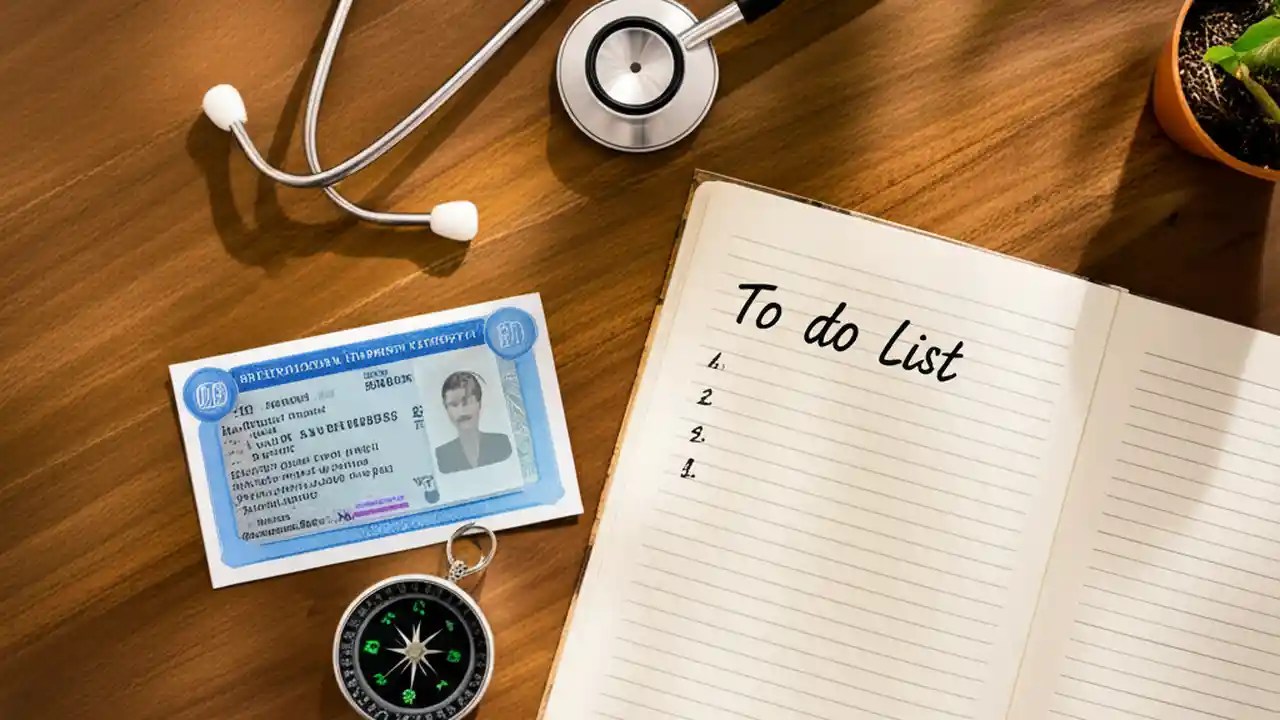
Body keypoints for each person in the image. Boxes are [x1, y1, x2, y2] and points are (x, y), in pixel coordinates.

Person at [434, 371, 512, 473]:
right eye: (453, 404)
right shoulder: (442, 455)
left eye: (467, 401)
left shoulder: (501, 443)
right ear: (446, 409)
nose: (461, 411)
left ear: (479, 403)